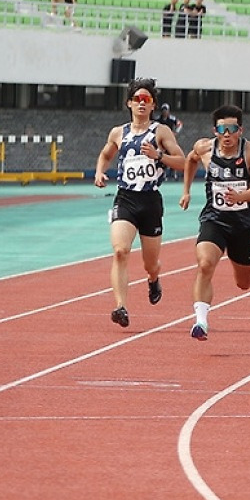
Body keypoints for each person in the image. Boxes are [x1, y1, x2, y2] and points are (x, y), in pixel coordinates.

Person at [93, 78, 186, 328]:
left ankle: (153, 278)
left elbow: (183, 161)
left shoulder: (161, 131)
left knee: (150, 263)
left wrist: (159, 156)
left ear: (153, 104)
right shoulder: (118, 132)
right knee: (120, 251)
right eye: (137, 99)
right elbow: (105, 154)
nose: (142, 103)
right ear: (129, 104)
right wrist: (100, 172)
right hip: (125, 198)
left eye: (146, 99)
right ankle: (120, 307)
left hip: (150, 201)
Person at [179, 105, 250, 340]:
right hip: (214, 219)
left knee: (244, 284)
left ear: (240, 129)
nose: (227, 134)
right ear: (215, 130)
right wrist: (186, 191)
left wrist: (241, 197)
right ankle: (200, 321)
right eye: (222, 129)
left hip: (242, 225)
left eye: (232, 129)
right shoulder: (204, 148)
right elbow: (190, 159)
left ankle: (242, 256)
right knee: (205, 264)